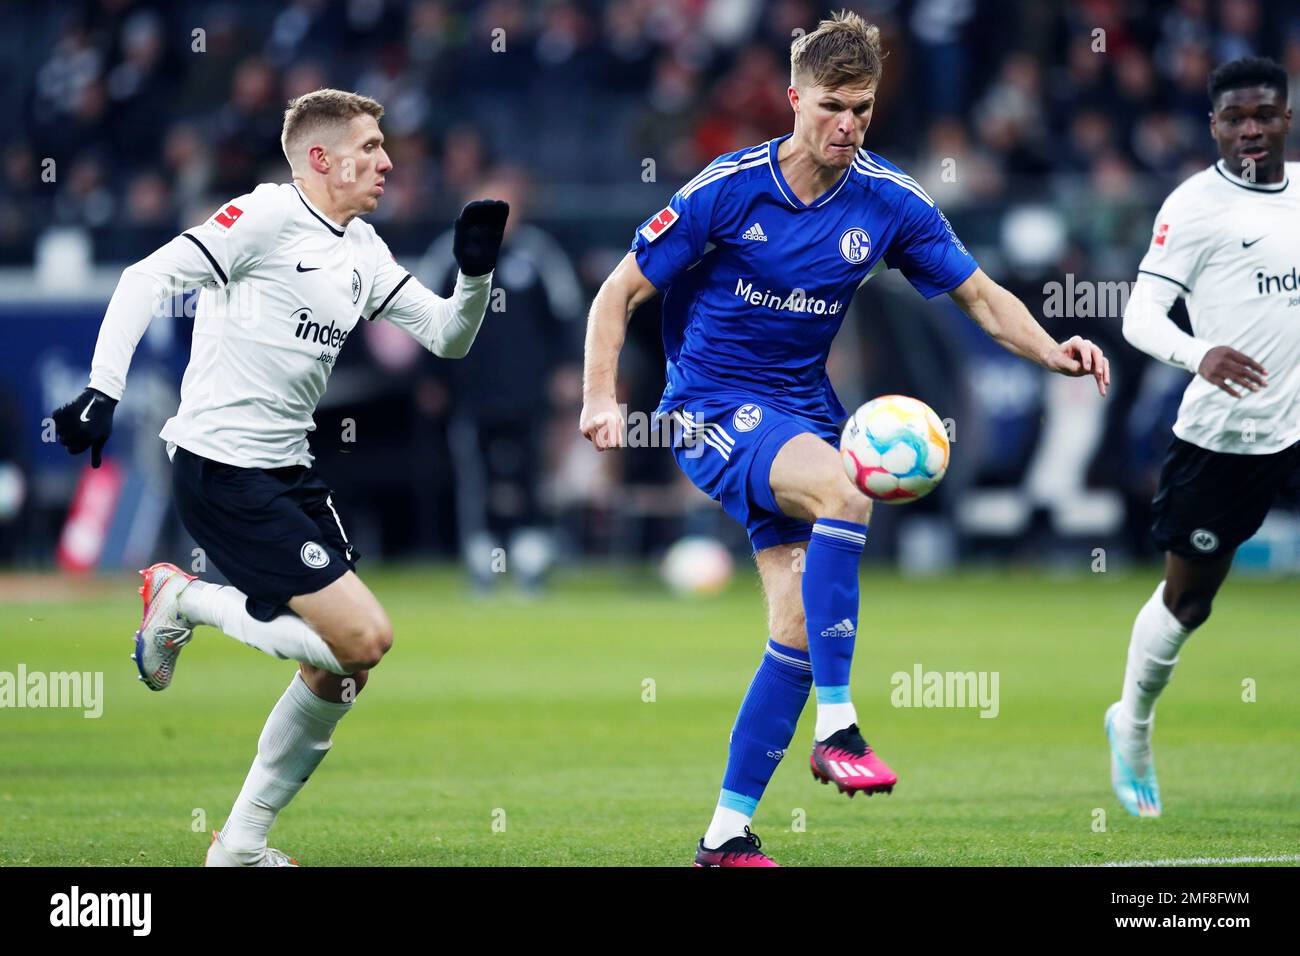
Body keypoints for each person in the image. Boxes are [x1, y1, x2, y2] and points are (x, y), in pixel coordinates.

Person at [579, 11, 1109, 867]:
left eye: (861, 108)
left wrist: (1054, 348)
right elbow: (617, 293)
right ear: (793, 99)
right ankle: (840, 726)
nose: (847, 125)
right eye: (831, 106)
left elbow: (979, 296)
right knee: (847, 487)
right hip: (711, 407)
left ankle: (724, 837)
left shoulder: (890, 200)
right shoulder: (728, 187)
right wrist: (601, 397)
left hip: (801, 413)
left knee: (794, 627)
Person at [50, 88, 508, 865]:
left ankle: (241, 846)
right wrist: (103, 390)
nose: (387, 160)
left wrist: (472, 276)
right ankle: (183, 596)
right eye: (369, 147)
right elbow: (142, 279)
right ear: (321, 159)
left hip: (289, 470)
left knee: (341, 672)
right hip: (220, 466)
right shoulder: (262, 218)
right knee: (365, 639)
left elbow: (447, 339)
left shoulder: (362, 248)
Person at [1107, 56, 1297, 818]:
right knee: (1189, 604)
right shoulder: (1194, 206)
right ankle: (1133, 724)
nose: (1251, 128)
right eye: (1234, 118)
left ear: (1285, 117)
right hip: (1226, 437)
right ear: (1214, 126)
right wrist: (1200, 354)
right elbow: (1138, 317)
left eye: (1264, 114)